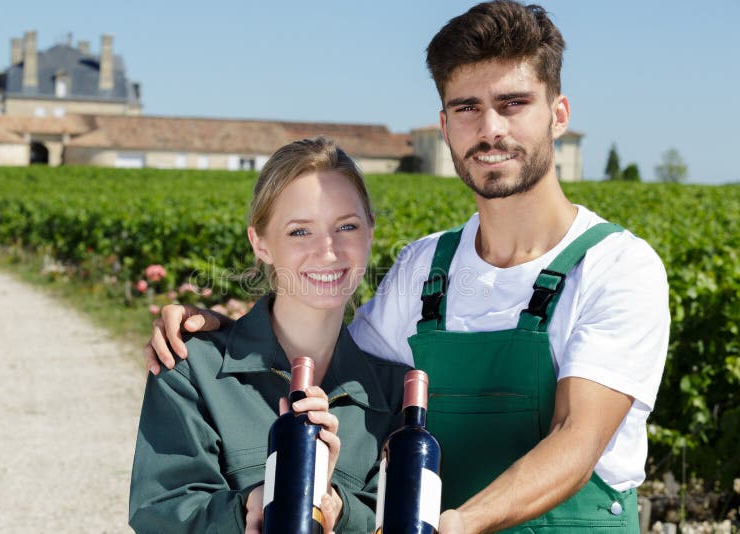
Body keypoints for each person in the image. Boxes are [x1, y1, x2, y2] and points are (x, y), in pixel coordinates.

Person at [143, 2, 670, 532]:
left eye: (513, 103)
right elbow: (336, 357)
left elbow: (576, 440)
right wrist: (223, 337)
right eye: (467, 108)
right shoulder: (424, 268)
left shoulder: (617, 267)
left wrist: (461, 523)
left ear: (558, 115)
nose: (490, 129)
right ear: (445, 126)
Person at [129, 137, 410, 533]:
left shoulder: (397, 393)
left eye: (347, 226)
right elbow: (159, 513)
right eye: (299, 232)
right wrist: (250, 507)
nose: (328, 250)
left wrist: (331, 506)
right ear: (259, 243)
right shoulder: (191, 368)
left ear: (370, 234)